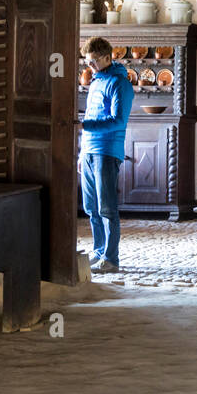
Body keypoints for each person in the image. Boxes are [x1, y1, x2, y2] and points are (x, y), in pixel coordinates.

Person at [79, 36, 133, 273]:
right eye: (87, 62)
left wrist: (86, 125)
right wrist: (82, 153)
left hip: (107, 151)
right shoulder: (95, 81)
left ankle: (111, 259)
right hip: (89, 151)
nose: (89, 66)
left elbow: (118, 120)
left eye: (92, 61)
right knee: (91, 207)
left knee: (107, 208)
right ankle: (99, 251)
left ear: (107, 57)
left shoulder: (120, 84)